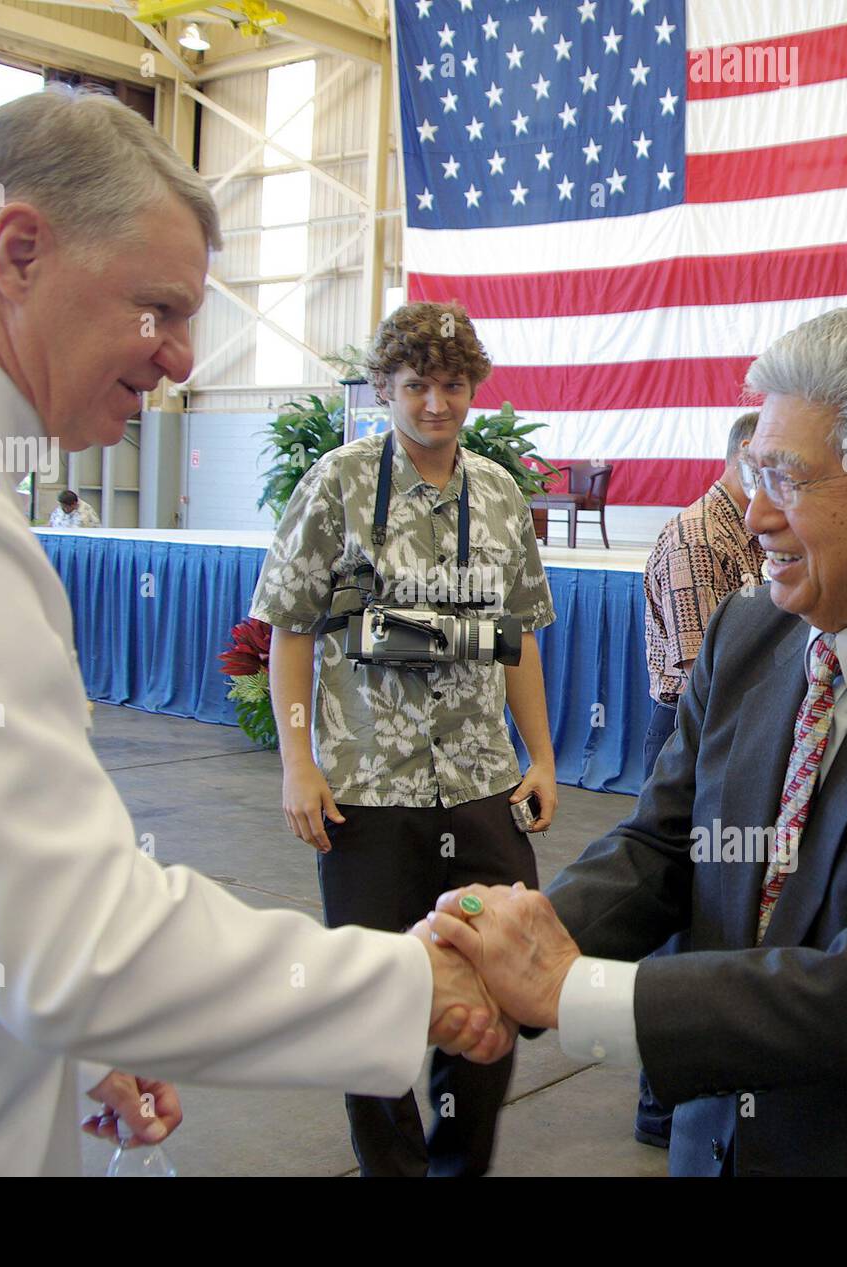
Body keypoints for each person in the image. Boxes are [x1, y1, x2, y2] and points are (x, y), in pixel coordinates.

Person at [0, 88, 512, 1178]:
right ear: (20, 250)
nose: (182, 358)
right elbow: (73, 942)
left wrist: (84, 1052)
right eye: (160, 310)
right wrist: (417, 984)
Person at [429, 304, 847, 1177]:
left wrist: (566, 985)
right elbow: (664, 848)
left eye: (787, 478)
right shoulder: (749, 632)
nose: (752, 517)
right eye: (753, 474)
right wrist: (502, 949)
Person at [250, 300, 558, 1177]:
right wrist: (298, 763)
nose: (435, 403)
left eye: (453, 384)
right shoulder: (339, 483)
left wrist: (537, 755)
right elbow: (292, 627)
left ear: (474, 387)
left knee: (496, 985)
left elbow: (519, 634)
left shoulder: (498, 494)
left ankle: (461, 1166)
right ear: (384, 386)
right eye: (416, 384)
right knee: (372, 1004)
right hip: (366, 784)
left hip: (478, 781)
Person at [635, 410, 764, 1147]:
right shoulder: (695, 538)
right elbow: (698, 682)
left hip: (731, 735)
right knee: (680, 925)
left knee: (714, 915)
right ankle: (659, 1108)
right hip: (692, 738)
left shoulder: (748, 533)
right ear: (747, 454)